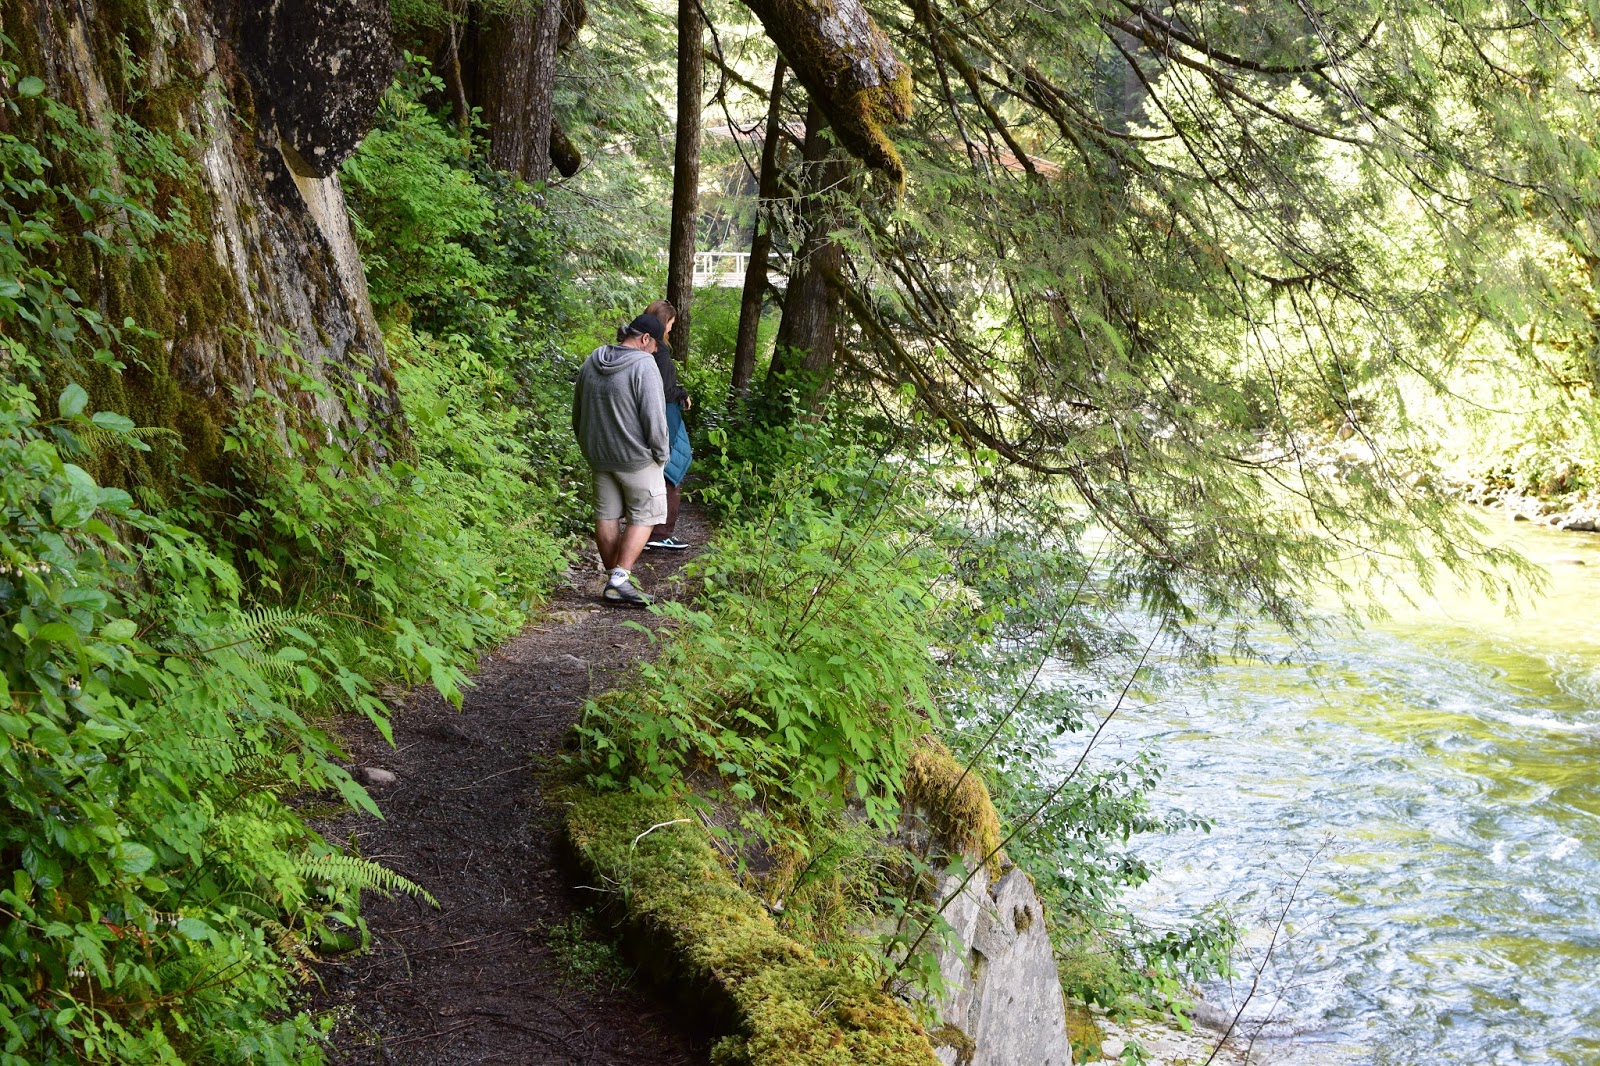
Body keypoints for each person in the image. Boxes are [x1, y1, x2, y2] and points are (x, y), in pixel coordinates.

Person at [571, 313, 670, 606]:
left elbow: (577, 411)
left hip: (599, 455)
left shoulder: (593, 359)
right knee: (647, 513)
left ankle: (614, 582)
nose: (655, 352)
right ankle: (620, 579)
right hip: (635, 458)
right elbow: (654, 416)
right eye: (656, 346)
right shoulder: (643, 365)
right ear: (645, 339)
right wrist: (661, 454)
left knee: (607, 515)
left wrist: (588, 446)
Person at [642, 298, 693, 550]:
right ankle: (661, 534)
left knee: (653, 473)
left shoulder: (639, 350)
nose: (671, 329)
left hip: (646, 418)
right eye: (671, 323)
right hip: (663, 417)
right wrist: (682, 393)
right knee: (670, 475)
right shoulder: (659, 352)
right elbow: (662, 390)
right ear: (663, 322)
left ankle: (645, 530)